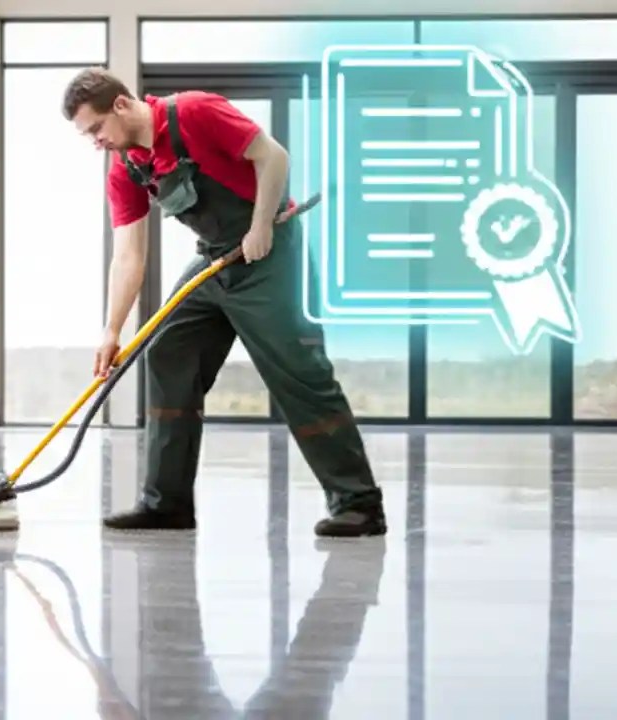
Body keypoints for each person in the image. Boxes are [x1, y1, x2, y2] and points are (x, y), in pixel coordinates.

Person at [61, 68, 387, 537]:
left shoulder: (193, 111)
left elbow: (272, 157)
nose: (96, 141)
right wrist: (112, 330)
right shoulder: (126, 166)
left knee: (298, 371)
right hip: (214, 262)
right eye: (86, 136)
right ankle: (165, 504)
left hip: (272, 255)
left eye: (95, 129)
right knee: (168, 353)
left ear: (119, 105)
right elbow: (129, 255)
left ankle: (358, 503)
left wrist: (260, 226)